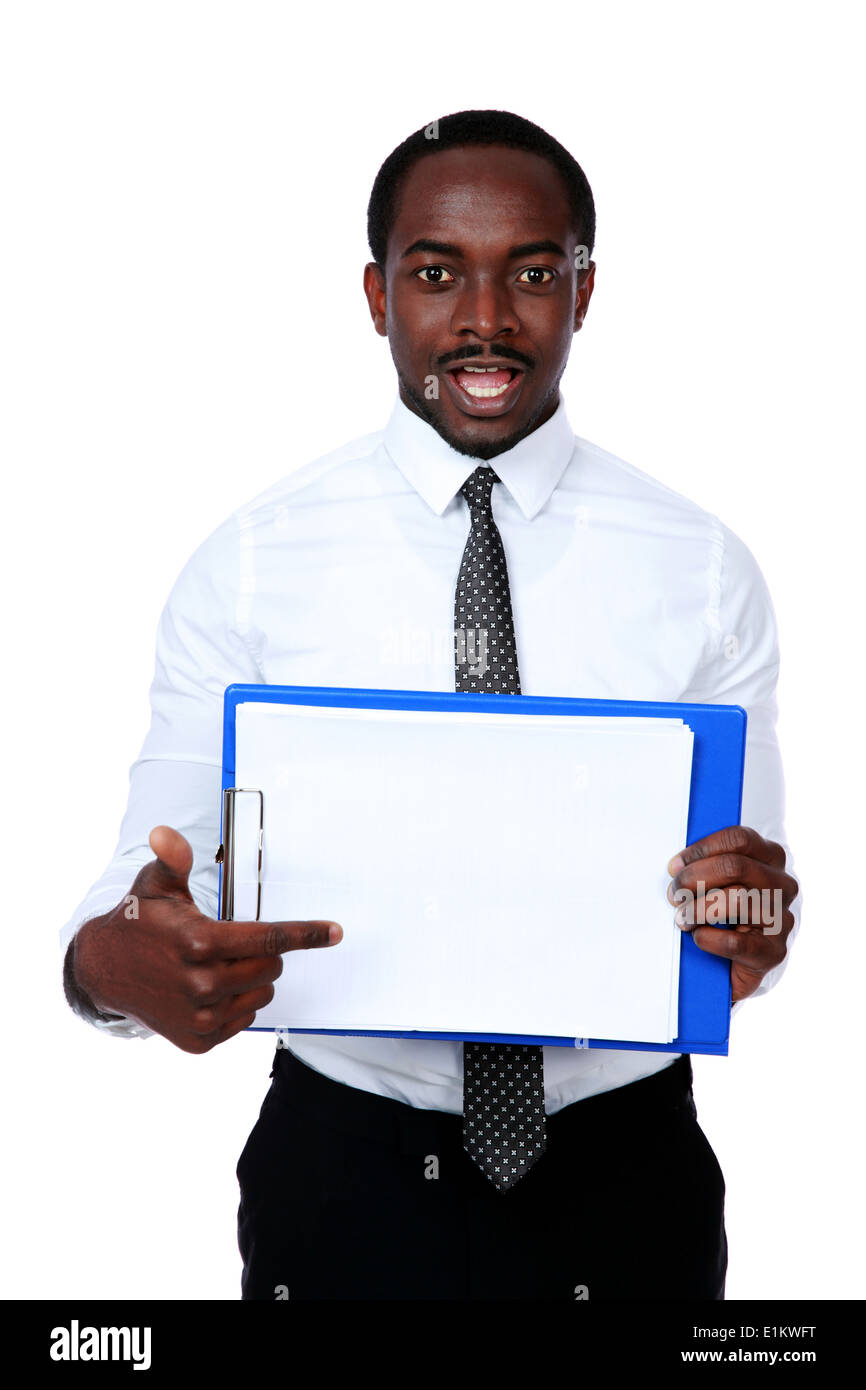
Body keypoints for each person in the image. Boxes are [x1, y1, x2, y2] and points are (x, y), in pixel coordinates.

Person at [61, 109, 800, 1301]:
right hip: (340, 1170)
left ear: (584, 289)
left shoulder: (700, 568)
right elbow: (126, 906)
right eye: (435, 273)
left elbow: (740, 908)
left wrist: (755, 921)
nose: (485, 322)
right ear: (374, 294)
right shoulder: (251, 562)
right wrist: (113, 971)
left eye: (532, 273)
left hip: (625, 1173)